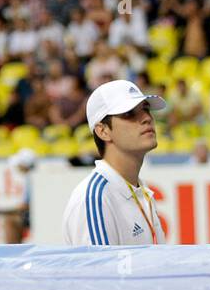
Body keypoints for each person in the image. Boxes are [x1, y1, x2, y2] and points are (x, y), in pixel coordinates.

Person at [62, 80, 168, 246]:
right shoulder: (95, 198)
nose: (147, 118)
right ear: (103, 131)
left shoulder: (139, 190)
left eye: (146, 109)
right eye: (129, 113)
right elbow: (102, 271)